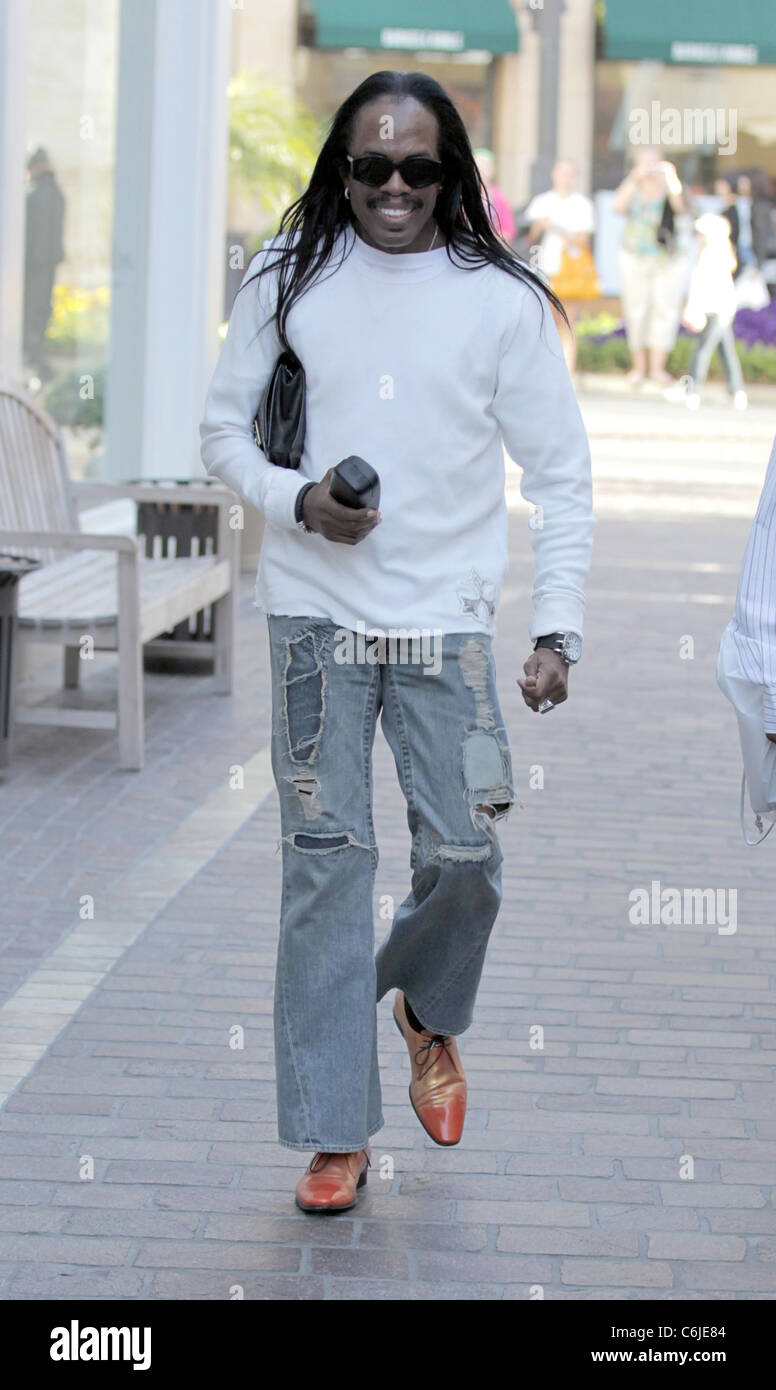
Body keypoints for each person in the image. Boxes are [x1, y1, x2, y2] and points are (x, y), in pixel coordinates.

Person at [199, 69, 595, 1215]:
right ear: (341, 169)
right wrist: (296, 504)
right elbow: (223, 430)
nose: (392, 187)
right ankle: (335, 1129)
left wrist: (555, 625)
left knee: (464, 856)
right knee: (326, 872)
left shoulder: (498, 301)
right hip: (315, 623)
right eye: (369, 166)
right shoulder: (288, 279)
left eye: (417, 167)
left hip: (446, 628)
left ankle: (420, 1006)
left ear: (449, 173)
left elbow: (561, 477)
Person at [613, 146, 686, 388]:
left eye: (654, 162)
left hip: (666, 259)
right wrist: (634, 178)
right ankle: (638, 368)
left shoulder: (669, 186)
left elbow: (682, 208)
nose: (650, 168)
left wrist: (671, 178)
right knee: (636, 309)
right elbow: (617, 207)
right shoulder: (633, 187)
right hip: (634, 256)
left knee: (664, 309)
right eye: (646, 163)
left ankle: (658, 369)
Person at [666, 212, 747, 411]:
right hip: (720, 310)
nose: (699, 237)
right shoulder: (717, 255)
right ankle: (736, 391)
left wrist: (694, 310)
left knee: (702, 351)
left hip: (715, 311)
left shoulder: (711, 256)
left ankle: (691, 391)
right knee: (726, 352)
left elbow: (704, 290)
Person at [525, 159, 598, 375]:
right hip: (545, 267)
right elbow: (530, 237)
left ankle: (568, 371)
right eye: (561, 173)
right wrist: (540, 225)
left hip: (569, 270)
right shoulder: (542, 201)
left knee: (567, 321)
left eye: (569, 174)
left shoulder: (582, 205)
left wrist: (555, 228)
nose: (565, 178)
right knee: (544, 321)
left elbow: (582, 239)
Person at [22, 147, 65, 384]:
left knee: (31, 315)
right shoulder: (56, 193)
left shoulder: (34, 195)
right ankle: (38, 363)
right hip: (48, 265)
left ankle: (36, 363)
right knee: (40, 313)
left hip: (33, 268)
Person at [474, 146, 516, 243]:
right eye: (478, 166)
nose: (481, 171)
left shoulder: (499, 198)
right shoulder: (462, 196)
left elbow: (508, 232)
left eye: (485, 167)